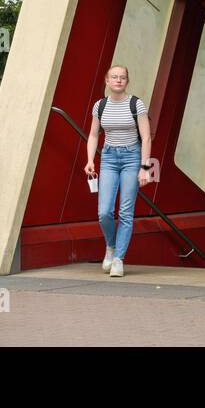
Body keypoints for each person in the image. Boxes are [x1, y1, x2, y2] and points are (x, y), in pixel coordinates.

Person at [84, 64, 153, 277]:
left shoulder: (136, 104)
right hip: (109, 158)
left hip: (132, 157)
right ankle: (111, 246)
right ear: (107, 81)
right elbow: (94, 134)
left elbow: (147, 137)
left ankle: (118, 259)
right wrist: (89, 160)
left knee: (125, 212)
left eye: (122, 77)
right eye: (114, 77)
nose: (118, 80)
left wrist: (144, 167)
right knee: (104, 212)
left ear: (127, 81)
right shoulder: (100, 106)